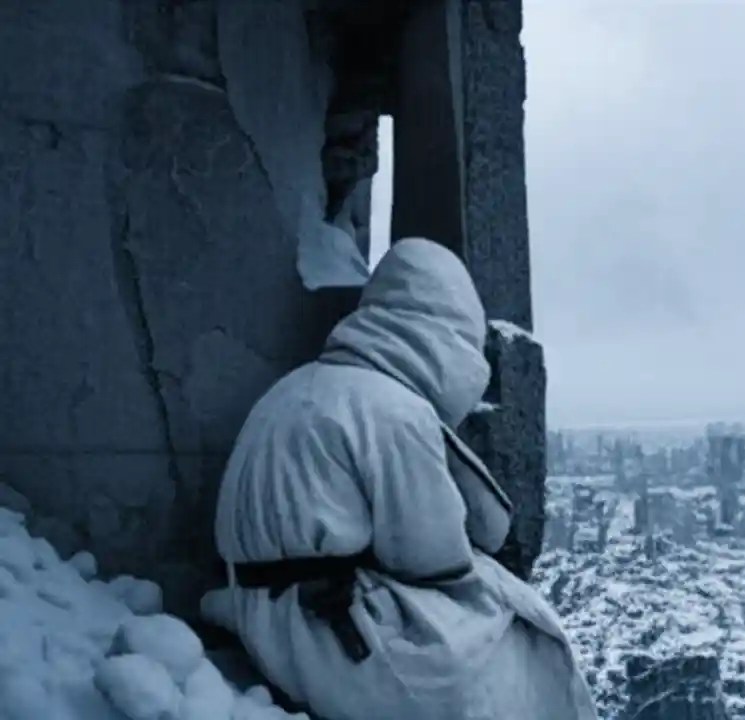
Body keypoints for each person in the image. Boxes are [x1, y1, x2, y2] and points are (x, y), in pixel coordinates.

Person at [201, 237, 597, 720]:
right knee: (521, 650)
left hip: (262, 608)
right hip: (326, 633)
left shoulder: (298, 386)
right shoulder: (394, 411)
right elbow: (431, 558)